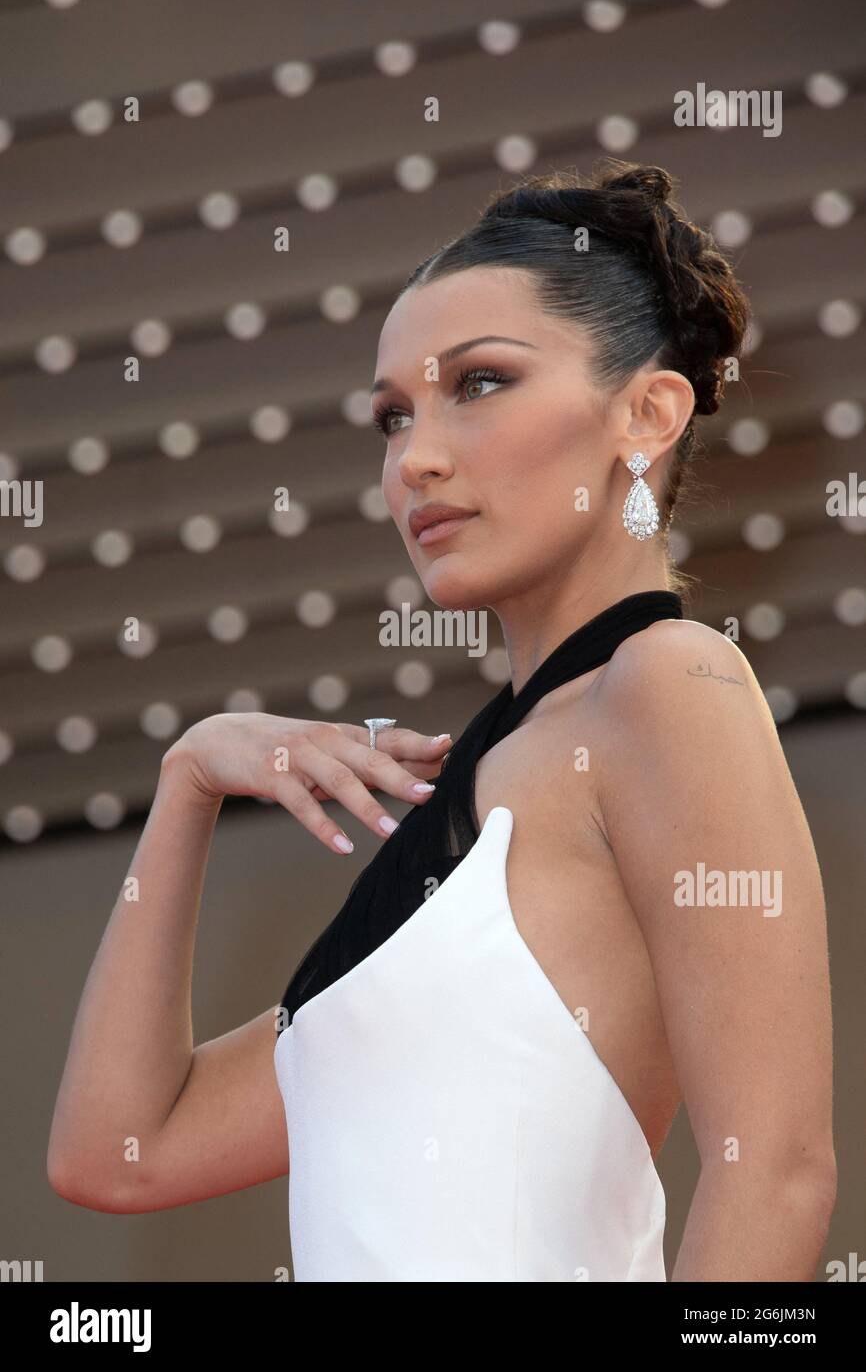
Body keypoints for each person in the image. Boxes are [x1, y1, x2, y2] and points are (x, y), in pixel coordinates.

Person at [47, 160, 836, 1282]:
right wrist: (188, 778)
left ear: (646, 413)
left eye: (478, 383)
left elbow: (776, 1167)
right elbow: (116, 1156)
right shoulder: (476, 773)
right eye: (391, 413)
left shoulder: (666, 686)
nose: (413, 456)